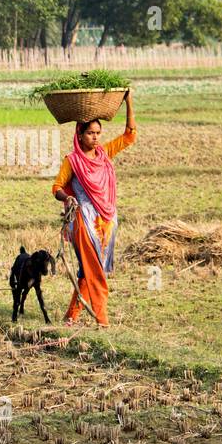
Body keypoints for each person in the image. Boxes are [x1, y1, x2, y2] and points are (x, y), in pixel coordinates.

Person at [51, 88, 136, 326]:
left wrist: (128, 102)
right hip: (83, 220)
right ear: (79, 135)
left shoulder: (105, 153)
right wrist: (66, 198)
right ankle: (102, 319)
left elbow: (129, 136)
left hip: (107, 220)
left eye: (98, 133)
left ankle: (71, 316)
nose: (95, 137)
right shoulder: (72, 161)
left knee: (88, 270)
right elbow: (57, 186)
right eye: (90, 133)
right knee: (95, 269)